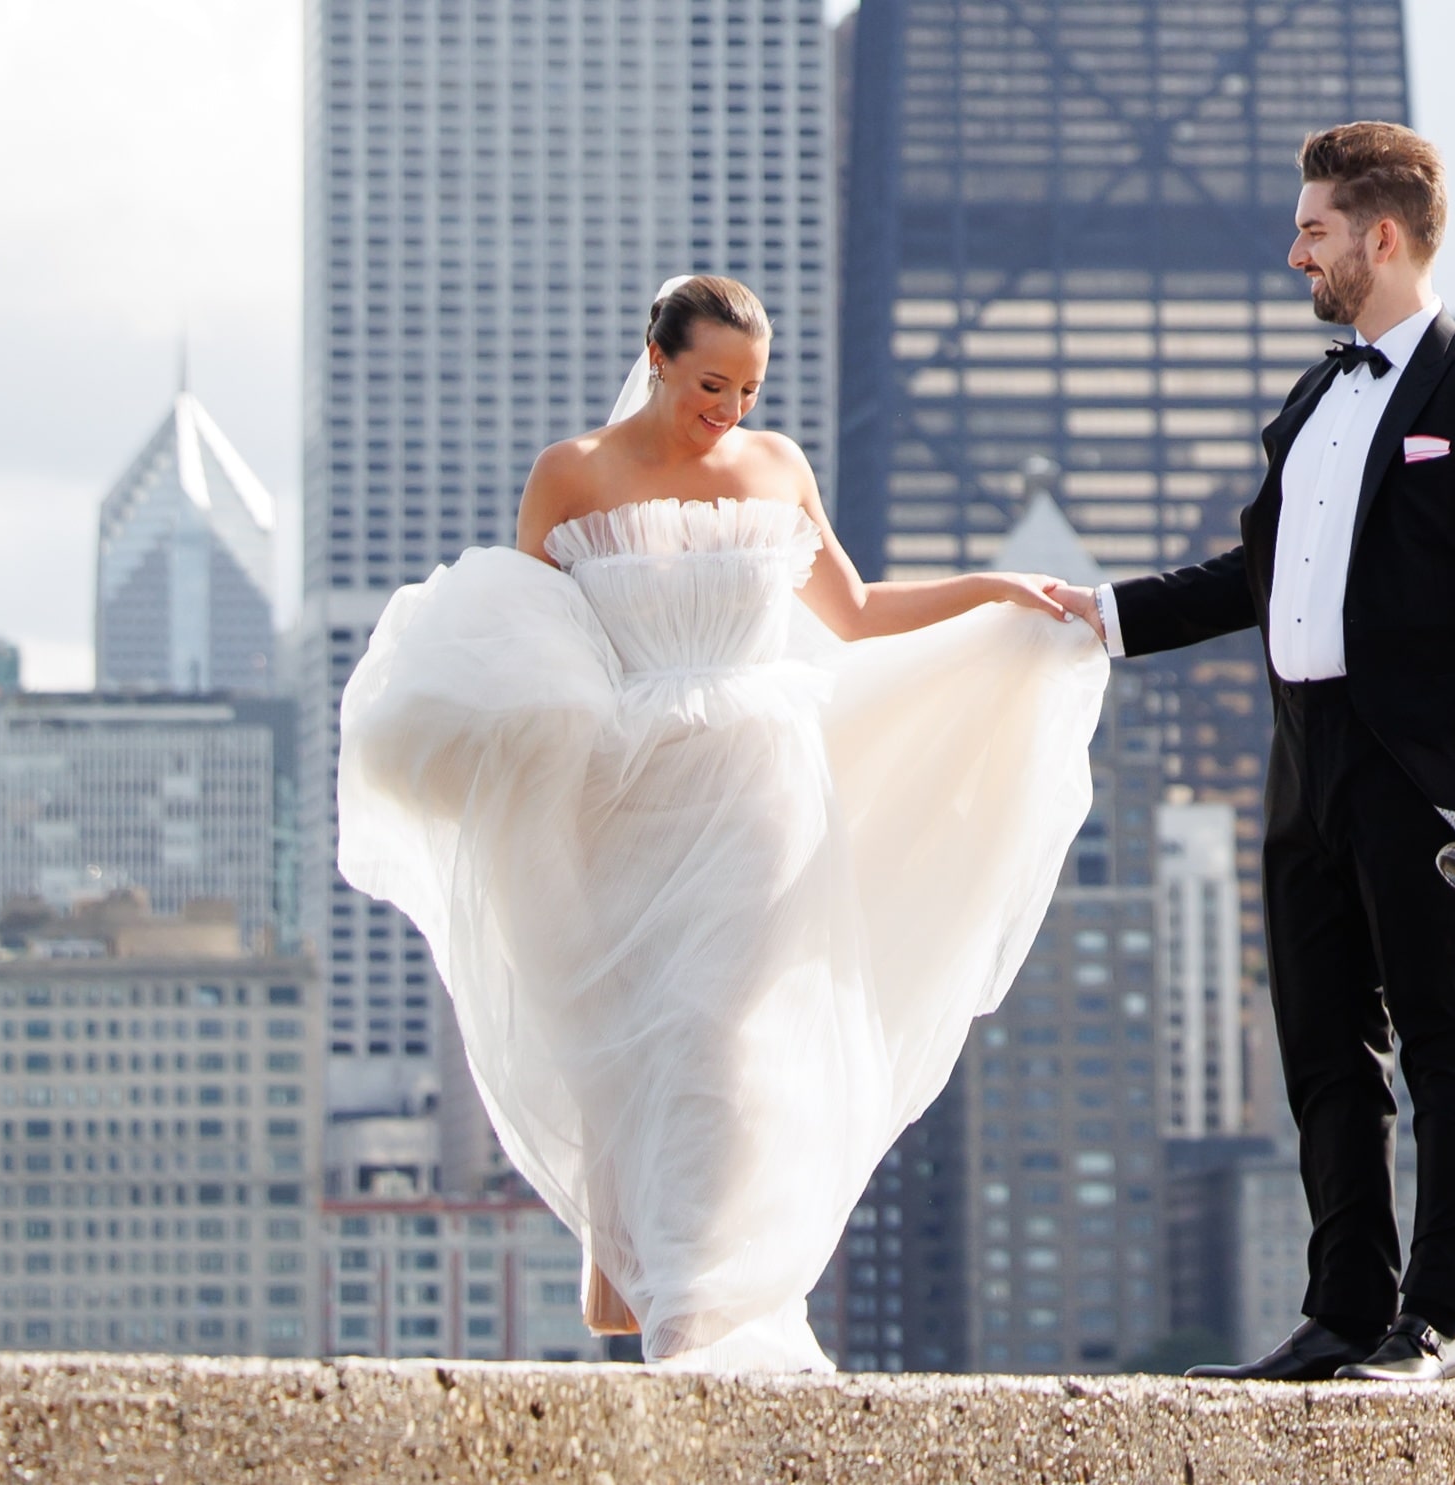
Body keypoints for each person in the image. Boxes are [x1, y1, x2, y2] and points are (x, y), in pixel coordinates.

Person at [336, 275, 1109, 1371]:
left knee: (728, 1035)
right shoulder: (570, 475)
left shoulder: (778, 467)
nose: (728, 410)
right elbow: (529, 644)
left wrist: (990, 589)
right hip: (624, 792)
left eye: (747, 389)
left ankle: (702, 1302)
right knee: (638, 1026)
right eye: (710, 384)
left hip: (760, 787)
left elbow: (851, 613)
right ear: (654, 358)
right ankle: (637, 1259)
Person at [1053, 122, 1455, 1383]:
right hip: (1304, 760)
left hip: (1430, 768)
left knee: (1446, 1041)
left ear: (1380, 237)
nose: (1293, 250)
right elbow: (1265, 572)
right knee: (1319, 1047)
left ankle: (1434, 1322)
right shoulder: (1315, 395)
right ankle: (1343, 1309)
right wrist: (1107, 614)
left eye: (1311, 229)